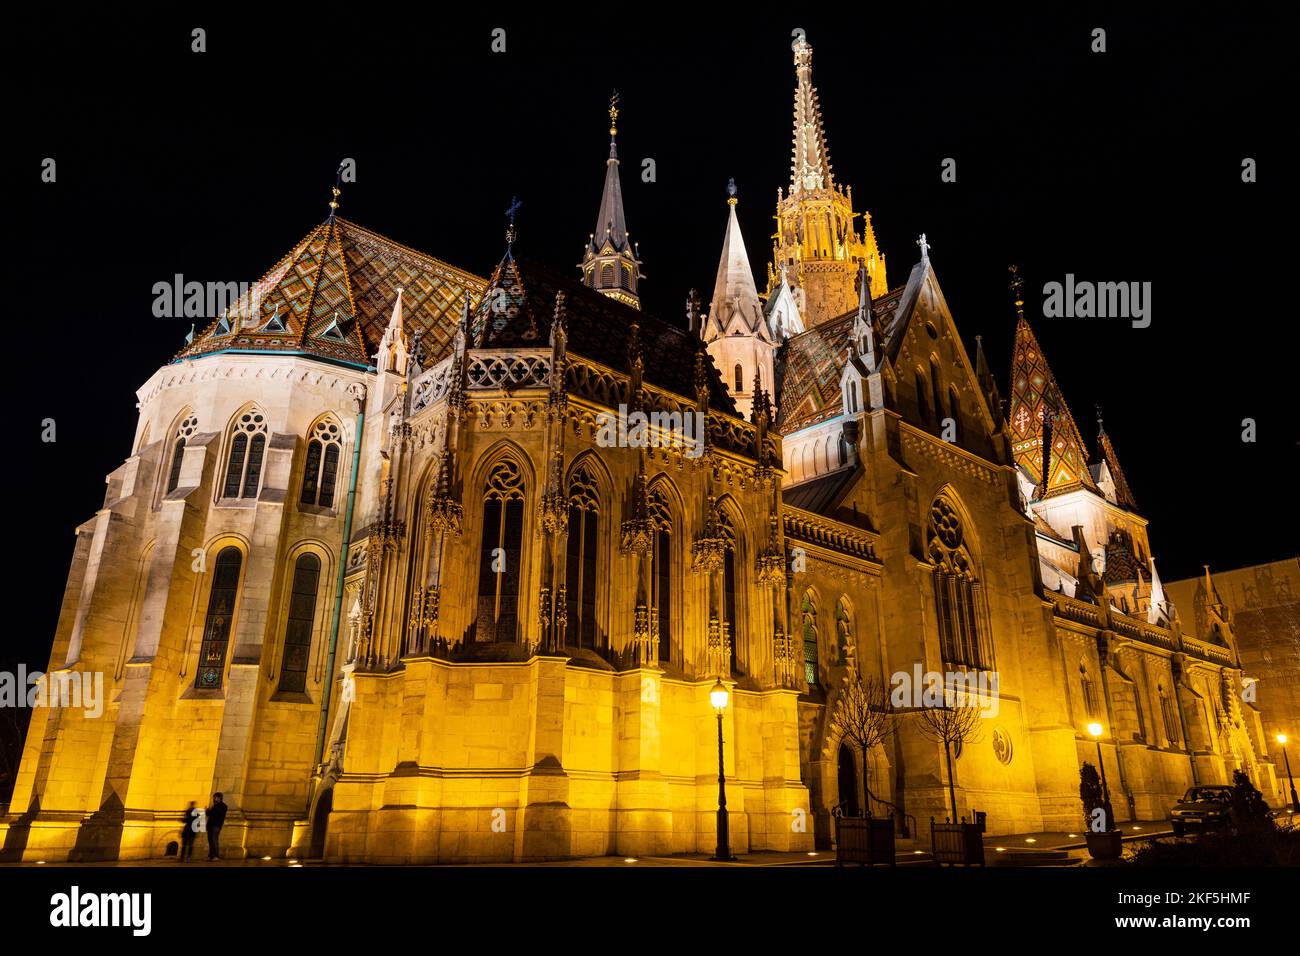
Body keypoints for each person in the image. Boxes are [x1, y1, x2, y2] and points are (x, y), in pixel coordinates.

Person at [205, 792, 228, 861]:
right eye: (214, 797)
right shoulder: (214, 806)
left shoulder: (223, 806)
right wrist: (207, 810)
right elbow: (209, 814)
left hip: (216, 825)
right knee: (210, 841)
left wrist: (212, 809)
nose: (214, 798)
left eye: (216, 797)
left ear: (220, 798)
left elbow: (217, 813)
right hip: (210, 825)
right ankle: (211, 855)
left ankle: (216, 856)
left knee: (214, 840)